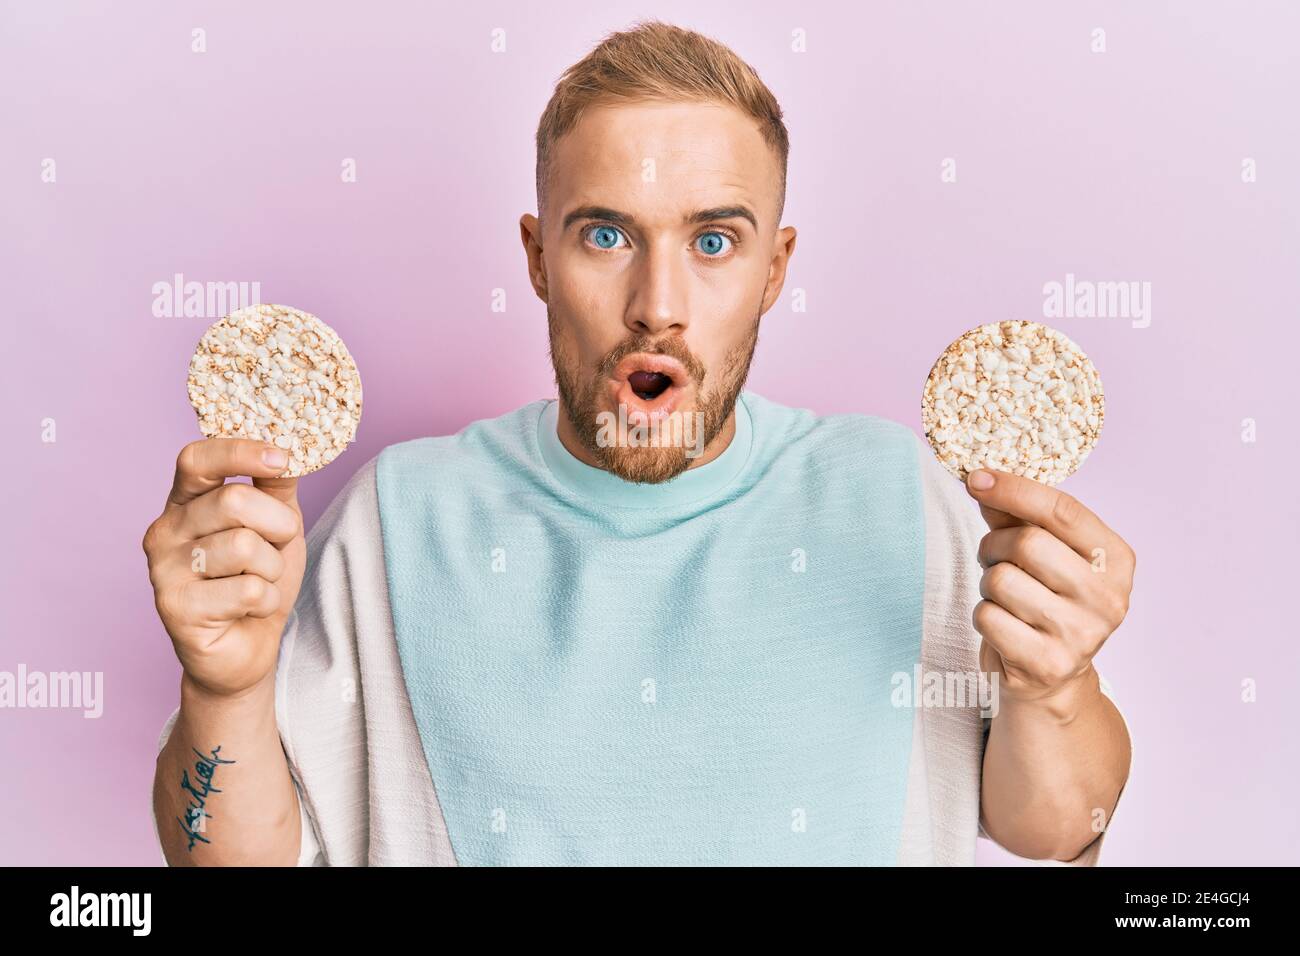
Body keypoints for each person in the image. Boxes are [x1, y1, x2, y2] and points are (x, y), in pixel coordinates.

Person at [145, 20, 1133, 866]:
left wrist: (1054, 684)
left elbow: (1052, 831)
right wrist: (220, 686)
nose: (656, 309)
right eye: (606, 236)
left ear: (774, 266)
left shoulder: (894, 493)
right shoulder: (400, 516)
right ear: (537, 257)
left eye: (712, 241)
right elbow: (226, 855)